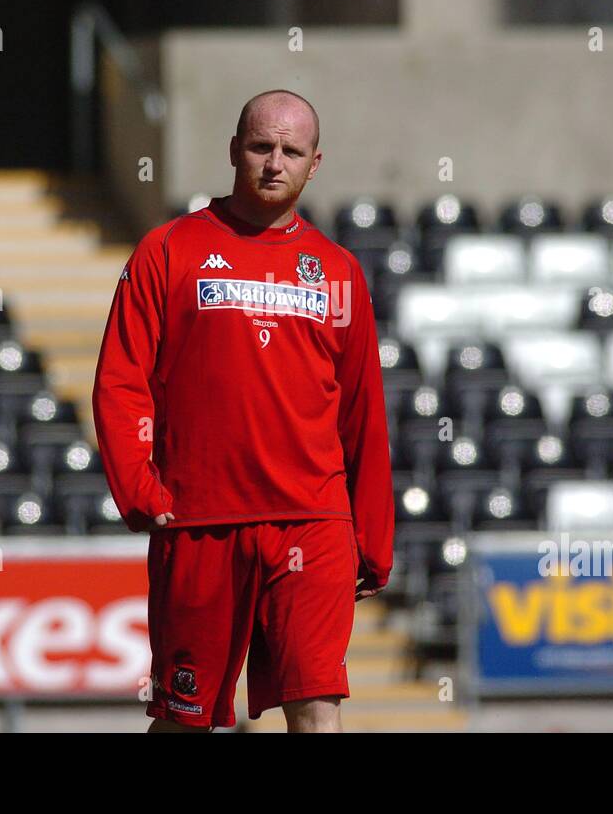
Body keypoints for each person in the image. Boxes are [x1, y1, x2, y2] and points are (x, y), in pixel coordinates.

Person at [93, 89, 394, 732]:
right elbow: (120, 382)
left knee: (317, 707)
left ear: (316, 164)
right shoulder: (167, 251)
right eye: (261, 146)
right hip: (202, 520)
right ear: (234, 150)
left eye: (292, 150)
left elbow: (362, 413)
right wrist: (140, 487)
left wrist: (371, 534)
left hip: (311, 520)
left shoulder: (337, 273)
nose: (274, 162)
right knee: (185, 719)